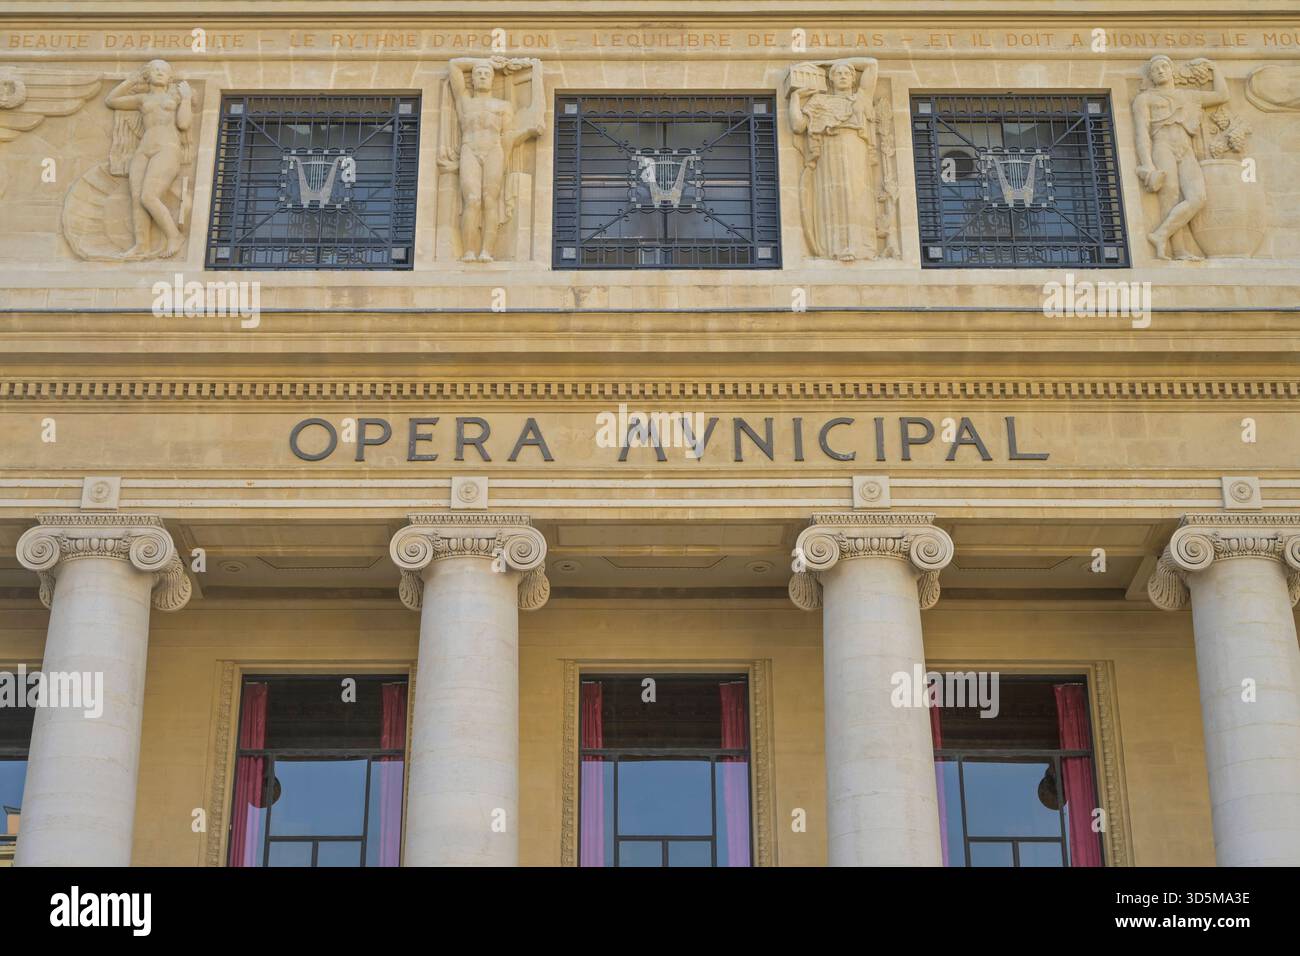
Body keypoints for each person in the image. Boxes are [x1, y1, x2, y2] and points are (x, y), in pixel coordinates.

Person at [446, 56, 544, 262]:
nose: (482, 76)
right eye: (478, 73)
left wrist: (527, 132)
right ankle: (469, 251)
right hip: (470, 149)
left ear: (492, 80)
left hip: (494, 150)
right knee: (471, 200)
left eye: (486, 74)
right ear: (472, 78)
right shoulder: (465, 102)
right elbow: (453, 65)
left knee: (490, 200)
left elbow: (507, 136)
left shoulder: (503, 106)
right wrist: (492, 62)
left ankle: (487, 252)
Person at [1132, 55, 1228, 260]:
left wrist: (1213, 68)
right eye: (1155, 69)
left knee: (1197, 197)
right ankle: (1178, 251)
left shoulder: (1189, 96)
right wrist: (1148, 166)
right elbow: (1141, 133)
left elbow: (1222, 95)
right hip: (1162, 146)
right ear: (1150, 76)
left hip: (1185, 148)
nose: (1160, 70)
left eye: (1164, 66)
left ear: (1172, 70)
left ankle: (1160, 234)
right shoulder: (1145, 99)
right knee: (1170, 195)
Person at [788, 57, 880, 261]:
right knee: (833, 195)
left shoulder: (861, 98)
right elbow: (798, 126)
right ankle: (835, 249)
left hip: (856, 147)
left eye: (847, 73)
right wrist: (795, 97)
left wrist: (826, 61)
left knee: (857, 195)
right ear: (830, 79)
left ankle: (861, 247)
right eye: (837, 73)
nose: (843, 76)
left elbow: (871, 64)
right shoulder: (820, 101)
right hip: (829, 150)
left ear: (854, 78)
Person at [105, 59, 193, 259]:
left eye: (164, 70)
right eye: (155, 70)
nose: (160, 72)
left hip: (167, 148)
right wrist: (131, 80)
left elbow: (184, 124)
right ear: (148, 75)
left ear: (170, 77)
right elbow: (111, 100)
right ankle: (141, 245)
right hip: (144, 150)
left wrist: (186, 99)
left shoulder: (175, 97)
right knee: (137, 198)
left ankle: (174, 236)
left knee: (149, 196)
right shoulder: (142, 99)